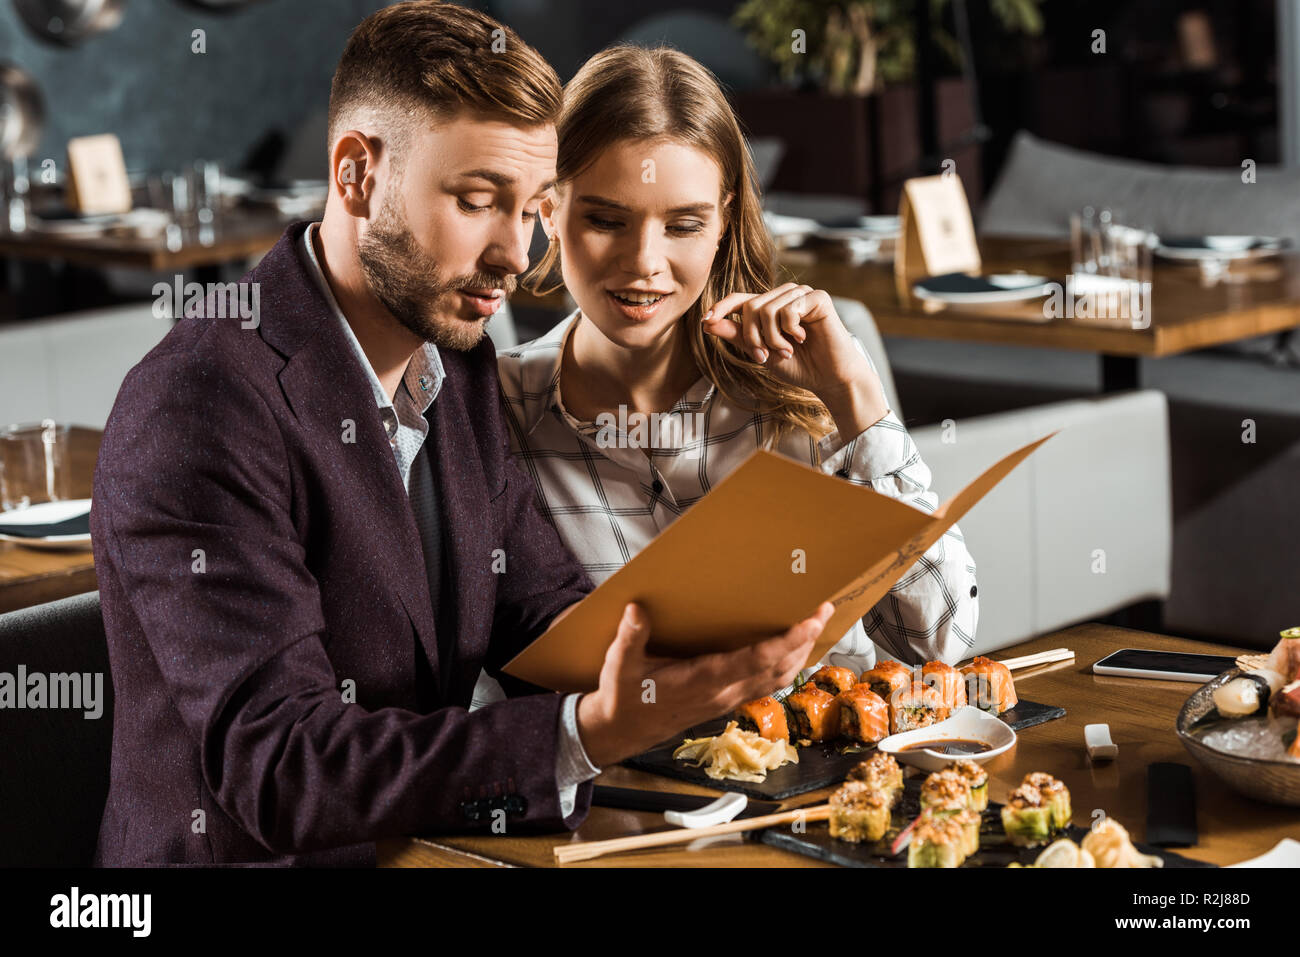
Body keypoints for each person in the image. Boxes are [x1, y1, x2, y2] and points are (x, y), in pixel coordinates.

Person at [89, 3, 833, 866]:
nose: (516, 255)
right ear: (357, 175)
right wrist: (585, 730)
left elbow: (546, 618)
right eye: (478, 201)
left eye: (530, 211)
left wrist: (722, 648)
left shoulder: (458, 361)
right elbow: (284, 768)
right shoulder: (198, 407)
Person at [487, 45, 978, 708]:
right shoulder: (494, 407)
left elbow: (940, 644)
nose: (645, 263)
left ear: (721, 221)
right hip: (630, 802)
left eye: (684, 225)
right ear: (549, 209)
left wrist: (856, 400)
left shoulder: (803, 388)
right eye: (606, 220)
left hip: (832, 787)